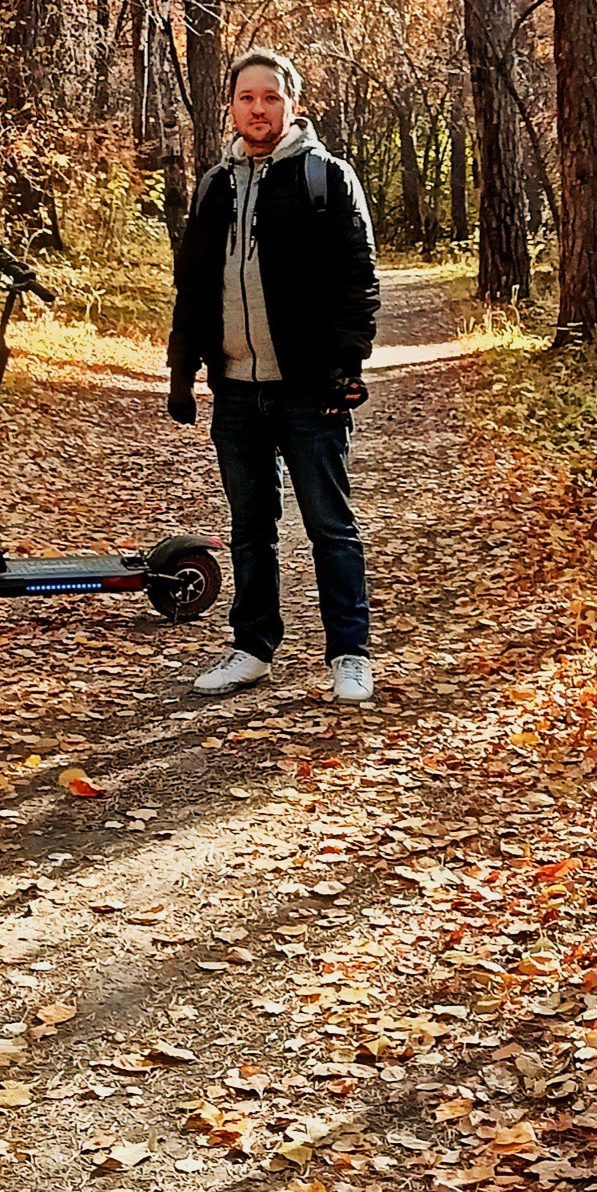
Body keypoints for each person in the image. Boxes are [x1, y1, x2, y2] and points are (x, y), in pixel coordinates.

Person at [166, 48, 380, 704]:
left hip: (308, 390)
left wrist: (344, 368)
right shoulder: (214, 186)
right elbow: (193, 286)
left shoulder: (326, 178)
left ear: (293, 104)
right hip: (236, 389)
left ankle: (349, 653)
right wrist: (183, 371)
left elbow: (358, 281)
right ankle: (252, 647)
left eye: (270, 97)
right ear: (230, 106)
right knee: (249, 528)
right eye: (246, 98)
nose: (258, 109)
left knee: (329, 526)